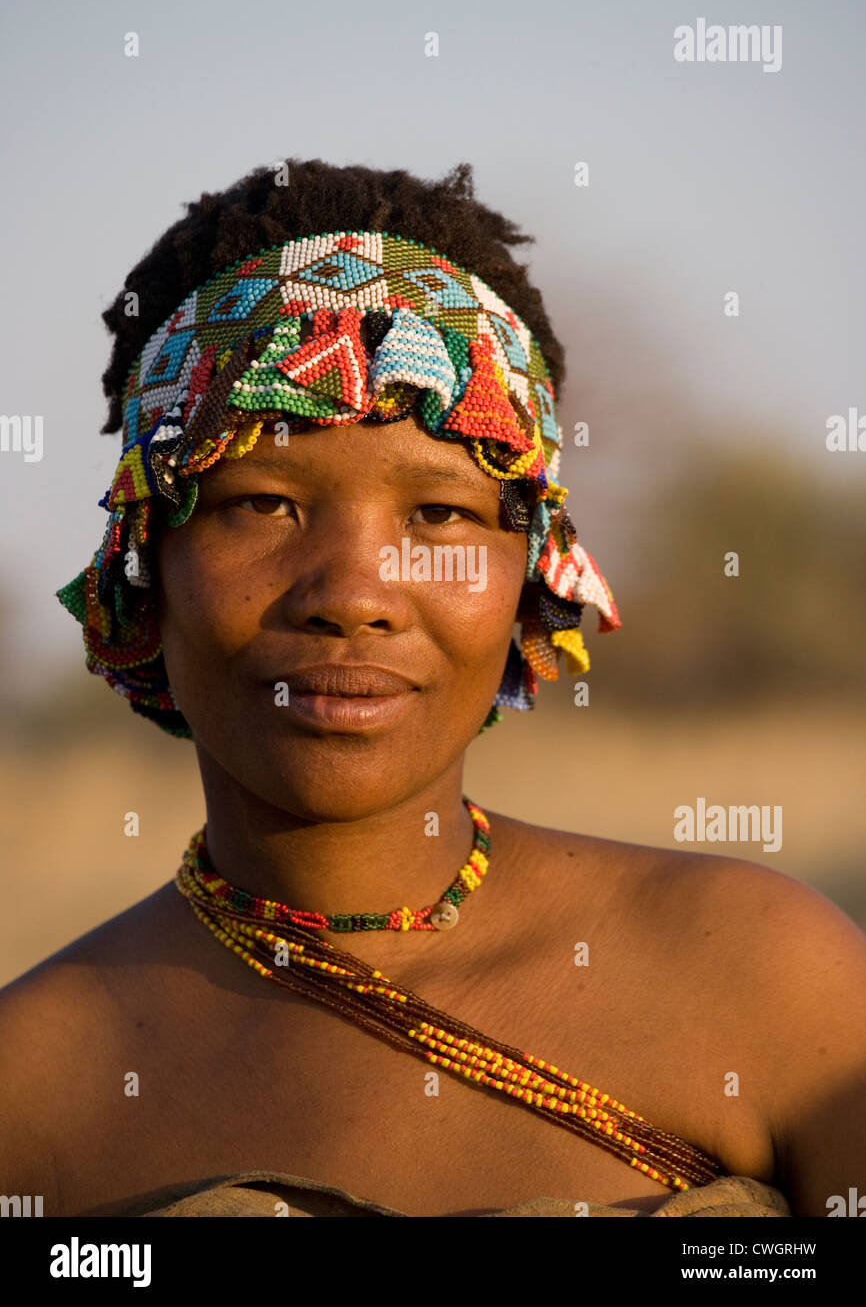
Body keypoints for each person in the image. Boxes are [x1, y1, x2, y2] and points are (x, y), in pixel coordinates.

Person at [1, 160, 863, 1219]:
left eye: (441, 516)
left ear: (530, 572)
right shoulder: (32, 1097)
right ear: (144, 564)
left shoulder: (772, 978)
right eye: (262, 502)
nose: (355, 595)